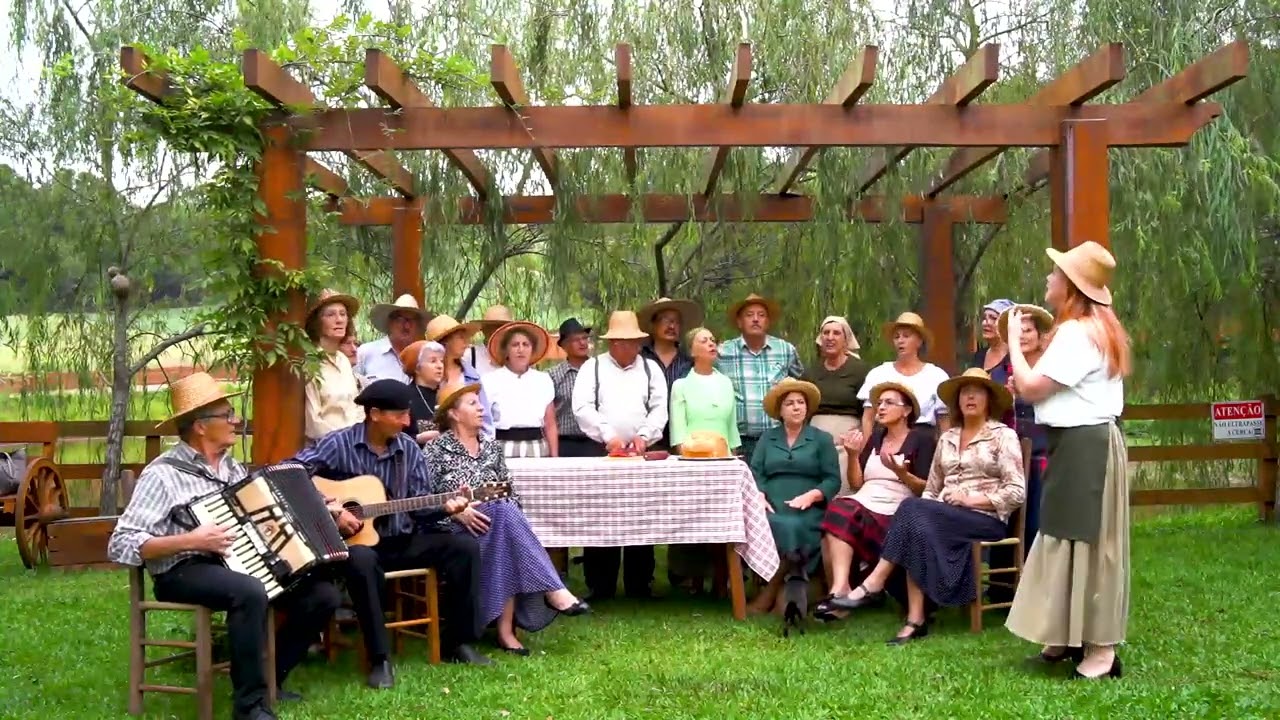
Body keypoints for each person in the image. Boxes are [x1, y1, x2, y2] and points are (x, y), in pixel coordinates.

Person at [108, 372, 341, 720]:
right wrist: (192, 540)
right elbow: (121, 543)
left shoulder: (232, 470)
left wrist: (318, 512)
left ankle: (269, 679)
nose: (236, 421)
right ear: (201, 426)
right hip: (181, 569)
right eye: (228, 415)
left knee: (322, 594)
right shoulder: (163, 474)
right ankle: (249, 707)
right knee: (248, 591)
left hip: (236, 561)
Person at [289, 379, 494, 679]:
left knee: (463, 548)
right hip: (356, 546)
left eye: (407, 413)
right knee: (361, 560)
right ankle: (379, 659)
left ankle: (458, 642)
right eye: (399, 415)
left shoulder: (409, 449)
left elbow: (421, 508)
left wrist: (446, 507)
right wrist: (331, 508)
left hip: (402, 540)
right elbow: (289, 473)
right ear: (374, 414)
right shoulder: (338, 443)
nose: (407, 421)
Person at [1004, 241, 1131, 681]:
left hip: (1086, 447)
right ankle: (1065, 633)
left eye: (1055, 273)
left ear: (1071, 287)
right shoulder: (1085, 329)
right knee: (1062, 535)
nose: (1048, 278)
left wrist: (1012, 344)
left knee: (1089, 542)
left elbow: (1032, 387)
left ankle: (1102, 648)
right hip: (1075, 444)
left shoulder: (1080, 332)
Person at [830, 368, 1025, 645]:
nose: (969, 397)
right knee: (915, 516)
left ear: (989, 399)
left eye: (977, 392)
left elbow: (1016, 491)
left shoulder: (1002, 436)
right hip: (946, 514)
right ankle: (914, 619)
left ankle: (877, 585)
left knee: (912, 511)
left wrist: (973, 500)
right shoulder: (947, 438)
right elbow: (932, 489)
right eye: (964, 392)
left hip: (985, 517)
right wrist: (928, 507)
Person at [424, 382, 591, 655]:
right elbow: (425, 498)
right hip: (454, 531)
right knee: (505, 519)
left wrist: (504, 510)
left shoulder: (491, 448)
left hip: (496, 526)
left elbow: (510, 491)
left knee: (504, 514)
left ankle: (508, 629)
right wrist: (457, 511)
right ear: (453, 414)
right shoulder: (435, 451)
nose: (481, 408)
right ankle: (549, 593)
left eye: (480, 402)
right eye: (472, 403)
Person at [813, 382, 933, 621]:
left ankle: (847, 595)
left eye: (889, 403)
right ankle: (840, 589)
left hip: (898, 509)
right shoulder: (876, 437)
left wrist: (903, 475)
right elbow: (857, 483)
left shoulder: (921, 440)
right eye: (879, 403)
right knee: (838, 508)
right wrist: (853, 455)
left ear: (906, 411)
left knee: (843, 512)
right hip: (865, 500)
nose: (880, 408)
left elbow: (927, 488)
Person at [571, 310, 669, 599]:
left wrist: (644, 435)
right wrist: (608, 435)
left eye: (631, 342)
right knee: (601, 514)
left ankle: (640, 584)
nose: (626, 347)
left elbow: (659, 409)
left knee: (642, 513)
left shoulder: (651, 368)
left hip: (641, 453)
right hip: (602, 450)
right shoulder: (593, 368)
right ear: (611, 343)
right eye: (620, 342)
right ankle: (600, 585)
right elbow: (583, 407)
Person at [746, 378, 840, 614]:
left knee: (792, 526)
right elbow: (754, 472)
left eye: (801, 402)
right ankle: (779, 586)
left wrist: (813, 495)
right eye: (790, 403)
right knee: (770, 523)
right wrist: (758, 495)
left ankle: (774, 590)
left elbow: (832, 480)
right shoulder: (768, 438)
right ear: (780, 411)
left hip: (808, 508)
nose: (797, 407)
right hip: (771, 504)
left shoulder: (822, 439)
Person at [666, 326, 739, 593]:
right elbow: (678, 431)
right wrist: (685, 457)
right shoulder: (681, 385)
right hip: (692, 462)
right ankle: (692, 578)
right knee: (692, 520)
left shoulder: (726, 383)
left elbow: (731, 428)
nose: (711, 344)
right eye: (703, 340)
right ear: (692, 350)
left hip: (722, 461)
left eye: (713, 339)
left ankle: (722, 578)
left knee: (724, 520)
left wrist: (732, 456)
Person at [717, 293, 804, 460]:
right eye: (749, 315)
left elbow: (800, 387)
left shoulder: (785, 350)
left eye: (761, 315)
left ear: (768, 322)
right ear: (739, 322)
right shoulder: (723, 352)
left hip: (778, 438)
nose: (755, 319)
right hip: (738, 440)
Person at [856, 311, 951, 439]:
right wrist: (866, 451)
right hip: (885, 437)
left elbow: (944, 423)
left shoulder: (936, 376)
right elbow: (868, 418)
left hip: (923, 440)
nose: (900, 341)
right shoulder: (879, 373)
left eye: (906, 336)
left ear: (919, 341)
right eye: (897, 337)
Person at [801, 315, 869, 491]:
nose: (830, 337)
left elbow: (869, 412)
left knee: (844, 494)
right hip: (814, 442)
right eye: (826, 333)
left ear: (845, 339)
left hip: (847, 443)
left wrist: (859, 439)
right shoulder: (811, 372)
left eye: (836, 333)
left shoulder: (860, 371)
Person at [481, 321, 559, 457]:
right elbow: (483, 422)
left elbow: (550, 423)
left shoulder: (543, 380)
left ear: (532, 350)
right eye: (515, 345)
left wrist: (555, 457)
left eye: (526, 345)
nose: (520, 349)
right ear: (506, 351)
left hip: (537, 447)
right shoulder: (490, 380)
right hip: (501, 446)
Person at [637, 297, 700, 450]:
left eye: (677, 322)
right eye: (666, 320)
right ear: (653, 325)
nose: (672, 326)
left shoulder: (689, 362)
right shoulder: (640, 360)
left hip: (682, 437)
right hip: (644, 437)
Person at [304, 289, 364, 443]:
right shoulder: (309, 362)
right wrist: (344, 443)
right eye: (331, 315)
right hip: (325, 451)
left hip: (355, 446)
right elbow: (313, 423)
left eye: (343, 314)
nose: (339, 320)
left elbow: (356, 407)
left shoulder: (343, 360)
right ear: (317, 322)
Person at [427, 314, 494, 438]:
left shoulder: (471, 376)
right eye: (461, 338)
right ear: (446, 341)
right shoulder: (427, 376)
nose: (466, 343)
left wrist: (485, 445)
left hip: (471, 445)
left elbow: (485, 418)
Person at [355, 294, 431, 384]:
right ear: (390, 322)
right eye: (401, 320)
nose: (407, 326)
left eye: (411, 321)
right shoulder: (366, 352)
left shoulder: (424, 358)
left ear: (417, 326)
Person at [548, 318, 595, 458]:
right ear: (564, 345)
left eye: (584, 338)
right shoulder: (553, 375)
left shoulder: (599, 369)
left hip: (596, 442)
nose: (582, 343)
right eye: (576, 340)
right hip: (565, 443)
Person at [397, 339, 445, 446]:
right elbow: (394, 439)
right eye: (433, 361)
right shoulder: (404, 397)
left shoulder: (447, 393)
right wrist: (417, 439)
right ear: (417, 368)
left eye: (441, 361)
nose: (440, 365)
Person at [467, 304, 514, 375]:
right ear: (483, 329)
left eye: (501, 327)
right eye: (492, 326)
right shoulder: (469, 356)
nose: (497, 331)